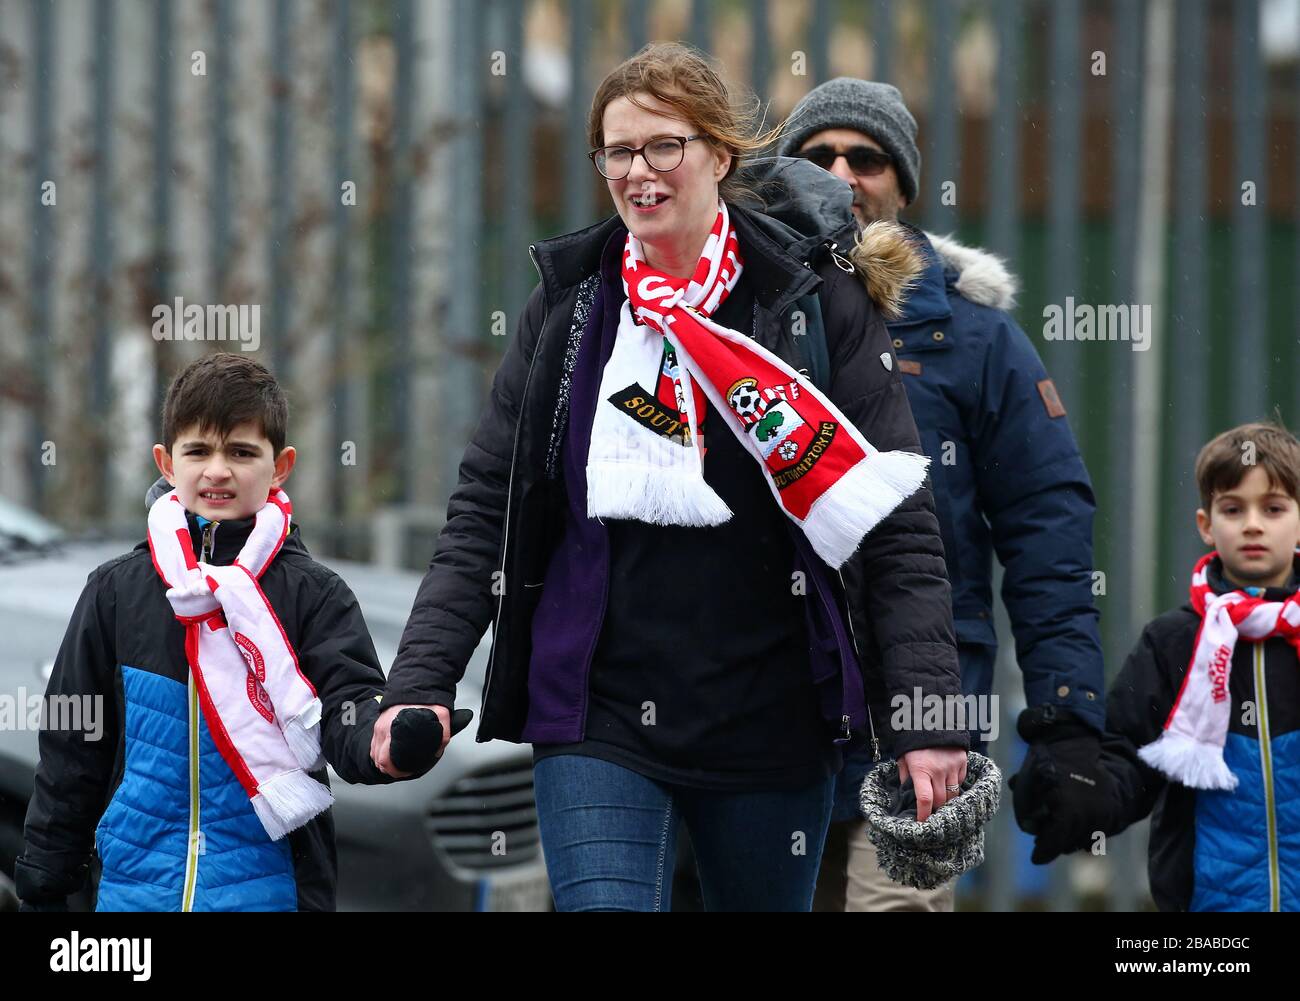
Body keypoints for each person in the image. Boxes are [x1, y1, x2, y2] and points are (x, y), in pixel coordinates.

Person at [371, 43, 969, 912]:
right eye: (618, 151)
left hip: (770, 720)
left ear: (720, 156)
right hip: (597, 716)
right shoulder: (571, 307)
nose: (638, 173)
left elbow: (894, 523)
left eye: (664, 146)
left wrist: (927, 719)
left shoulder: (808, 302)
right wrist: (420, 679)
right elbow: (483, 509)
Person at [777, 78, 1105, 911]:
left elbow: (1048, 530)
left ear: (903, 184)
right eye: (819, 157)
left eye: (868, 157)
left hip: (925, 714)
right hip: (760, 711)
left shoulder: (976, 337)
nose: (843, 173)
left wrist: (1065, 720)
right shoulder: (734, 317)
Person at [17, 352, 400, 911]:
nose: (217, 470)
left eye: (242, 452)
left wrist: (388, 736)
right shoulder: (115, 592)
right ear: (166, 462)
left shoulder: (315, 595)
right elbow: (71, 749)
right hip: (135, 893)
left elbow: (350, 713)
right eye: (198, 451)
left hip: (271, 893)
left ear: (281, 465)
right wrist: (44, 879)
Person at [1044, 421, 1300, 911]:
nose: (1252, 523)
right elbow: (1126, 757)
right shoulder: (1174, 641)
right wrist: (1080, 793)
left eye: (1272, 508)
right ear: (1206, 524)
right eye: (1233, 508)